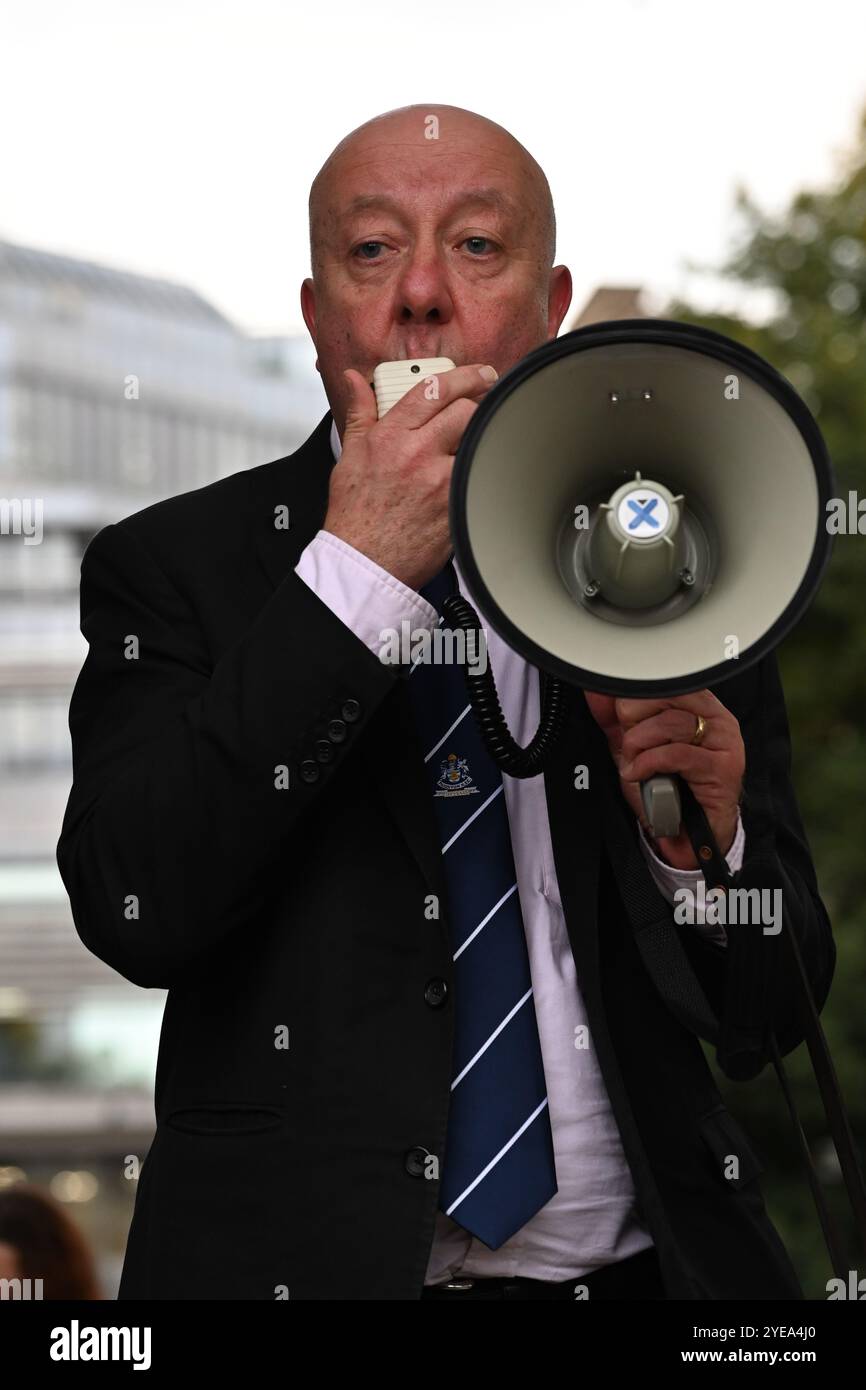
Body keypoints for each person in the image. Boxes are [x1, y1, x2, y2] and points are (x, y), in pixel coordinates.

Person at [57, 104, 834, 1301]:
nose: (421, 292)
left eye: (476, 246)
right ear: (318, 316)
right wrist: (352, 581)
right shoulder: (176, 567)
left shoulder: (667, 555)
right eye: (371, 251)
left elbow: (769, 1010)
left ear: (551, 303)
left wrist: (702, 850)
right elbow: (133, 903)